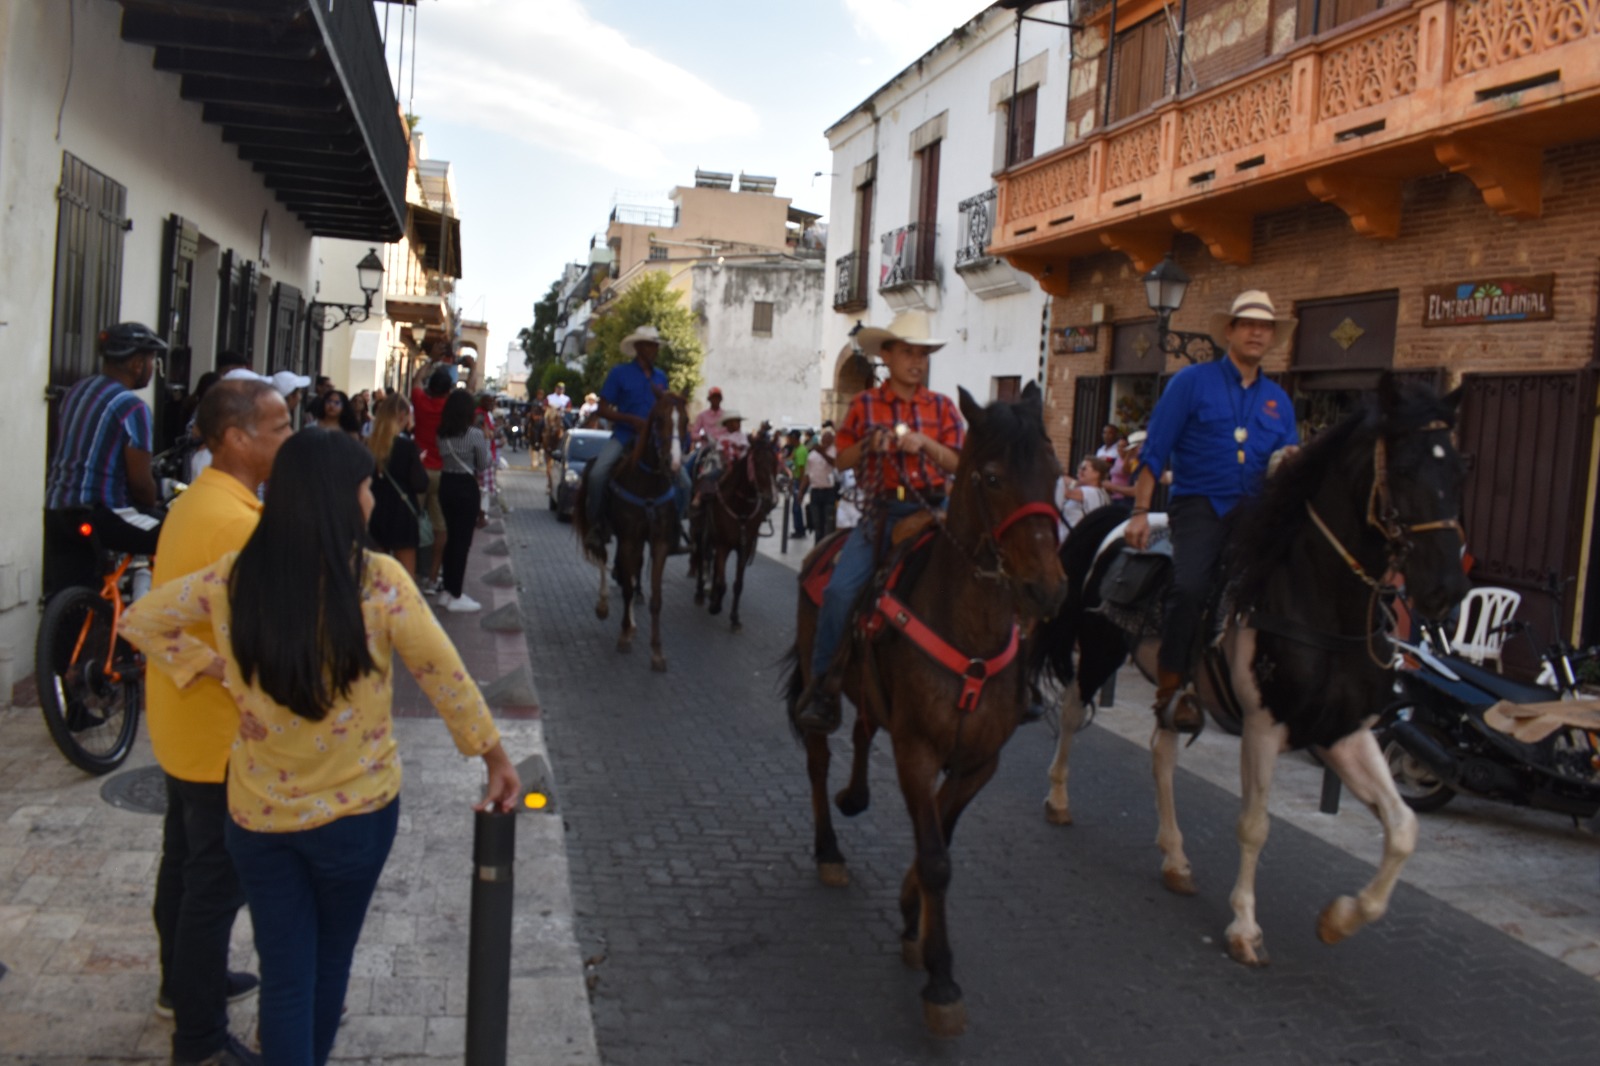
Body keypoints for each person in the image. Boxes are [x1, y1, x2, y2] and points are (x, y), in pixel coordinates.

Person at [119, 427, 520, 1066]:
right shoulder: (380, 581)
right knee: (329, 962)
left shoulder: (235, 577)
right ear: (339, 497)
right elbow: (444, 676)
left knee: (285, 973)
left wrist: (213, 667)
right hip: (356, 817)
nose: (370, 500)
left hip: (258, 817)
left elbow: (138, 619)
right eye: (364, 486)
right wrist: (494, 756)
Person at [146, 379, 292, 1066]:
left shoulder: (199, 500)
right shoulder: (238, 523)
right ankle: (199, 1038)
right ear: (236, 438)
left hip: (182, 728)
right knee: (212, 888)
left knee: (183, 865)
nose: (287, 437)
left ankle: (182, 986)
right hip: (218, 737)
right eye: (279, 426)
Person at [1127, 289, 1299, 731]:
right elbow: (1156, 447)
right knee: (1191, 587)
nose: (1257, 332)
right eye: (1248, 324)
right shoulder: (1191, 381)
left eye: (1265, 327)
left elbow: (1288, 460)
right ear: (1230, 331)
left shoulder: (1279, 400)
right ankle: (1170, 688)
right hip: (1200, 504)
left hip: (1255, 513)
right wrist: (1140, 511)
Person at [795, 312, 964, 732]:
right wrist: (872, 443)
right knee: (839, 592)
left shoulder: (942, 406)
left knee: (994, 578)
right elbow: (842, 459)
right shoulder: (865, 404)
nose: (917, 361)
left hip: (937, 510)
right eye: (908, 352)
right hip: (884, 513)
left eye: (922, 353)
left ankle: (1015, 680)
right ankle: (821, 686)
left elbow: (959, 461)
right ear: (887, 355)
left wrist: (924, 443)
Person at [43, 322, 167, 594]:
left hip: (57, 510)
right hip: (103, 513)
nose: (151, 367)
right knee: (177, 533)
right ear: (137, 363)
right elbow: (140, 484)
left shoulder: (77, 391)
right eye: (151, 360)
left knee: (70, 592)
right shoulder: (132, 407)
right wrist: (154, 502)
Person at [584, 325, 691, 556]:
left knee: (685, 483)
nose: (655, 350)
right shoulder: (619, 373)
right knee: (597, 474)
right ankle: (596, 526)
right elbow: (602, 409)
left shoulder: (661, 377)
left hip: (655, 441)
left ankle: (673, 529)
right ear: (639, 347)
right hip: (625, 435)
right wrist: (630, 419)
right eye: (651, 345)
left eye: (656, 346)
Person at [434, 389, 490, 612]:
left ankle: (447, 590)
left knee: (450, 538)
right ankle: (456, 593)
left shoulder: (441, 433)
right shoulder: (475, 434)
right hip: (466, 487)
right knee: (462, 542)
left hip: (446, 484)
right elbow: (484, 464)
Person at [368, 394, 430, 577]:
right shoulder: (406, 447)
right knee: (405, 575)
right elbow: (420, 484)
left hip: (376, 510)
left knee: (378, 574)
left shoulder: (369, 444)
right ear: (402, 415)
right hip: (402, 513)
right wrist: (418, 463)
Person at [411, 367, 454, 595]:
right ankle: (432, 578)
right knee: (441, 528)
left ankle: (411, 573)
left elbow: (415, 381)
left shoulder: (420, 402)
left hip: (418, 470)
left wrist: (431, 361)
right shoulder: (450, 409)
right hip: (441, 472)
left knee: (410, 521)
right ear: (448, 391)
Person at [1057, 456, 1111, 534]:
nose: (1080, 471)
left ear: (1097, 474)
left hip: (1076, 539)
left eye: (1084, 469)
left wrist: (1056, 475)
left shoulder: (1091, 491)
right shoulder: (1100, 492)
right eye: (1079, 468)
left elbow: (1065, 492)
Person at [805, 428, 838, 539]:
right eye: (825, 439)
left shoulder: (834, 451)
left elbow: (834, 463)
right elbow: (807, 474)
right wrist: (801, 491)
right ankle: (817, 545)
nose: (826, 441)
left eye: (829, 439)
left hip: (828, 491)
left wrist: (822, 453)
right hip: (815, 491)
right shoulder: (813, 454)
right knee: (817, 523)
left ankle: (827, 546)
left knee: (828, 523)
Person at [788, 430, 810, 537]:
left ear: (794, 438)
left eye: (790, 438)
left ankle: (800, 530)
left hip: (800, 481)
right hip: (796, 480)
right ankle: (799, 528)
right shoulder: (796, 449)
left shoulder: (801, 451)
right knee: (796, 507)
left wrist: (801, 487)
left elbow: (802, 469)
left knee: (796, 507)